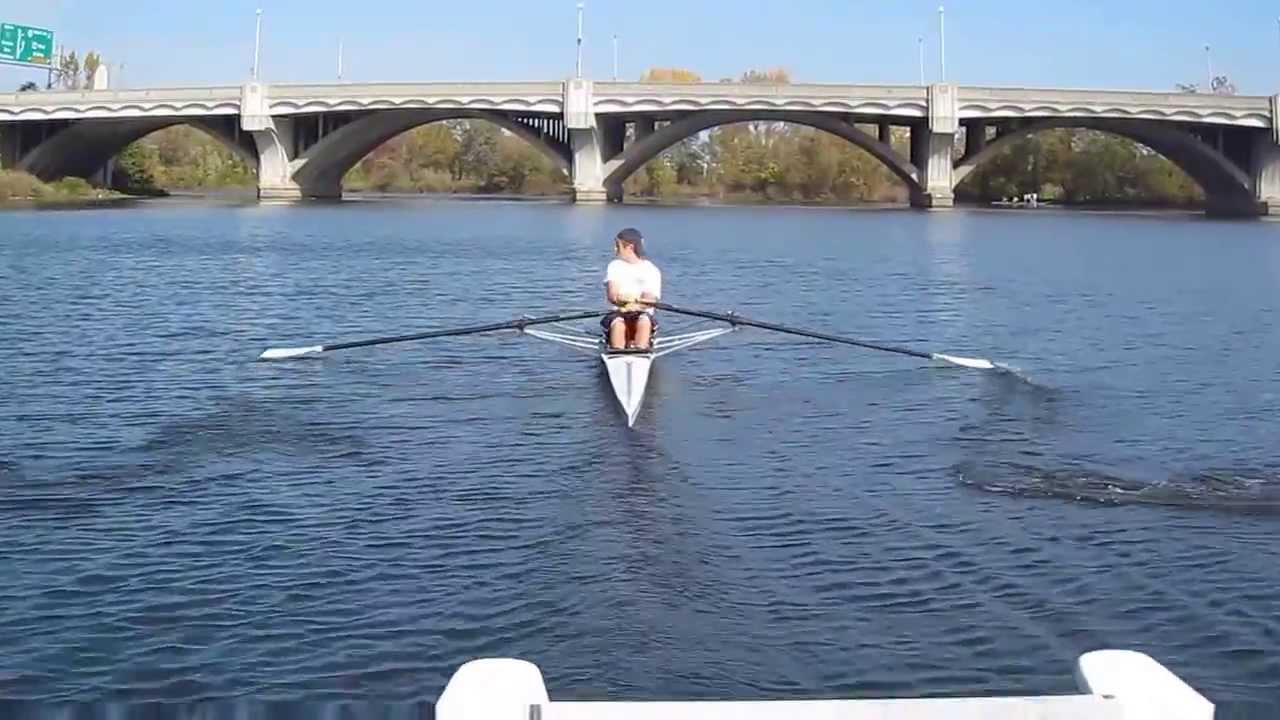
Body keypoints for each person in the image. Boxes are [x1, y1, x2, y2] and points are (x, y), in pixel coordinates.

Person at [602, 227, 662, 350]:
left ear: (630, 247)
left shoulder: (651, 270)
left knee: (644, 322)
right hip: (618, 313)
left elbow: (650, 299)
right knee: (618, 324)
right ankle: (618, 353)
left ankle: (640, 351)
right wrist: (622, 302)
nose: (614, 249)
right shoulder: (614, 266)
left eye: (617, 246)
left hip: (642, 313)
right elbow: (612, 296)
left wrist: (636, 304)